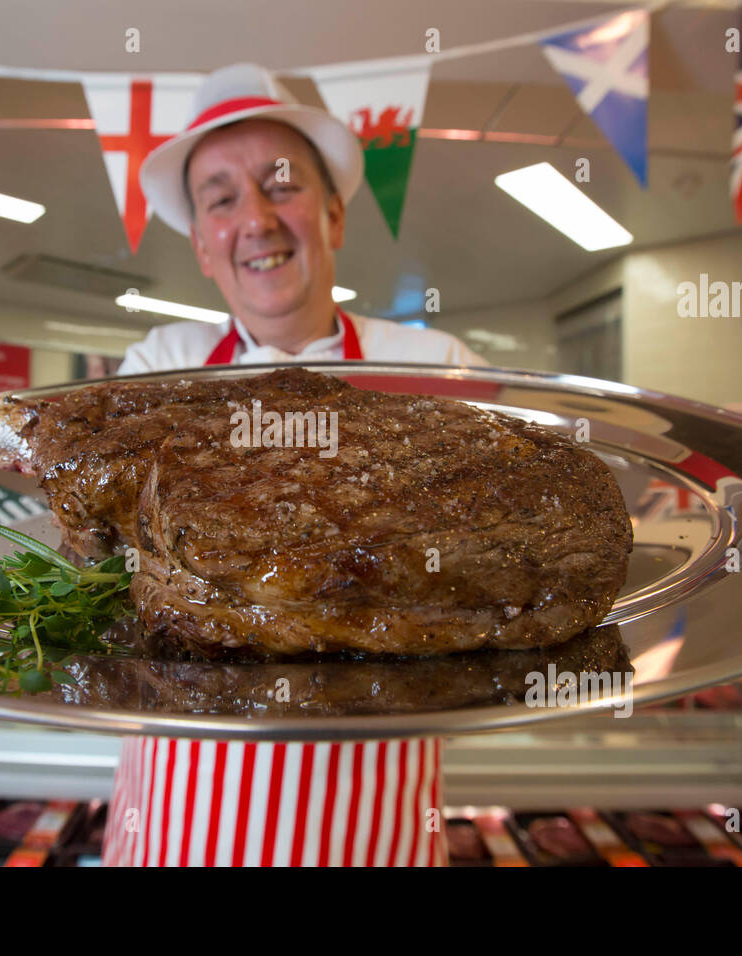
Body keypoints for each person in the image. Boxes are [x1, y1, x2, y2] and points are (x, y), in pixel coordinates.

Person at [104, 63, 488, 867]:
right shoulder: (157, 367)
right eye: (221, 198)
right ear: (204, 248)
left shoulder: (434, 367)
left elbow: (480, 574)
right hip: (183, 816)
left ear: (335, 215)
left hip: (375, 815)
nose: (256, 218)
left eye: (281, 185)